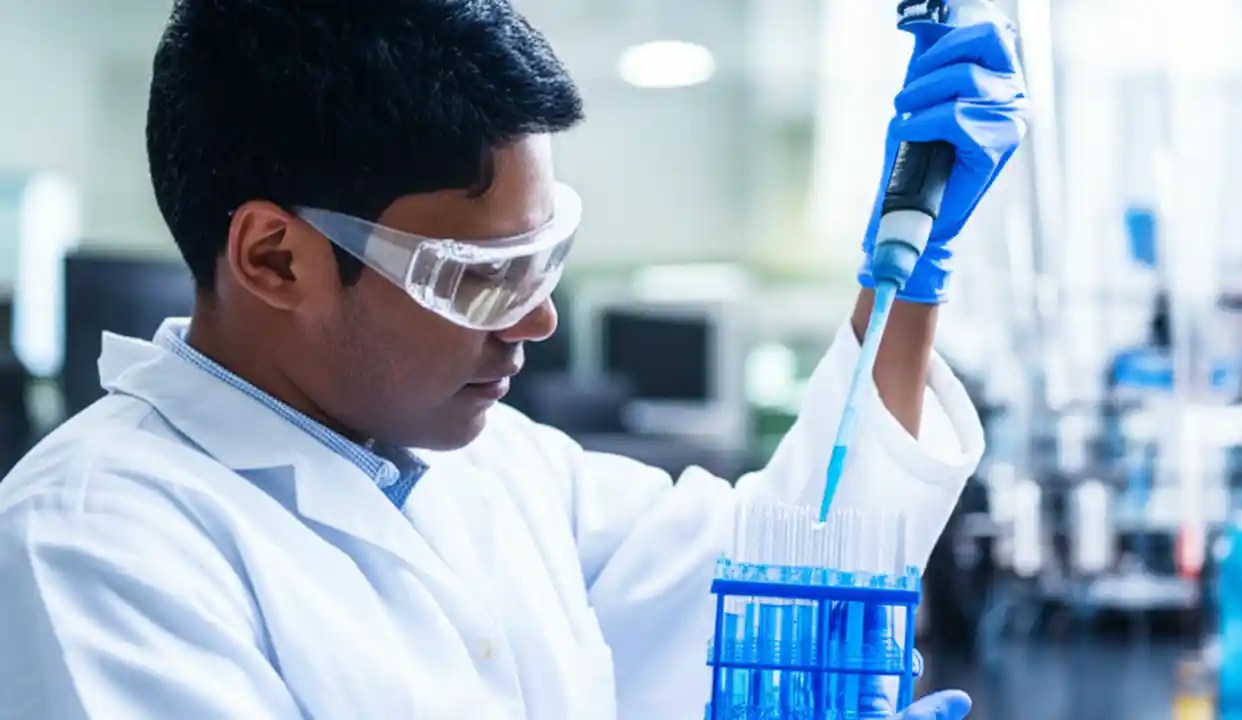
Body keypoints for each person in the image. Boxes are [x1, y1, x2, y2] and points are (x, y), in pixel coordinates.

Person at [0, 1, 1026, 718]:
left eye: (544, 260)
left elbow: (801, 577)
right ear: (275, 257)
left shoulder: (495, 469)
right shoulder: (94, 546)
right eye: (478, 275)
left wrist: (912, 259)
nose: (535, 321)